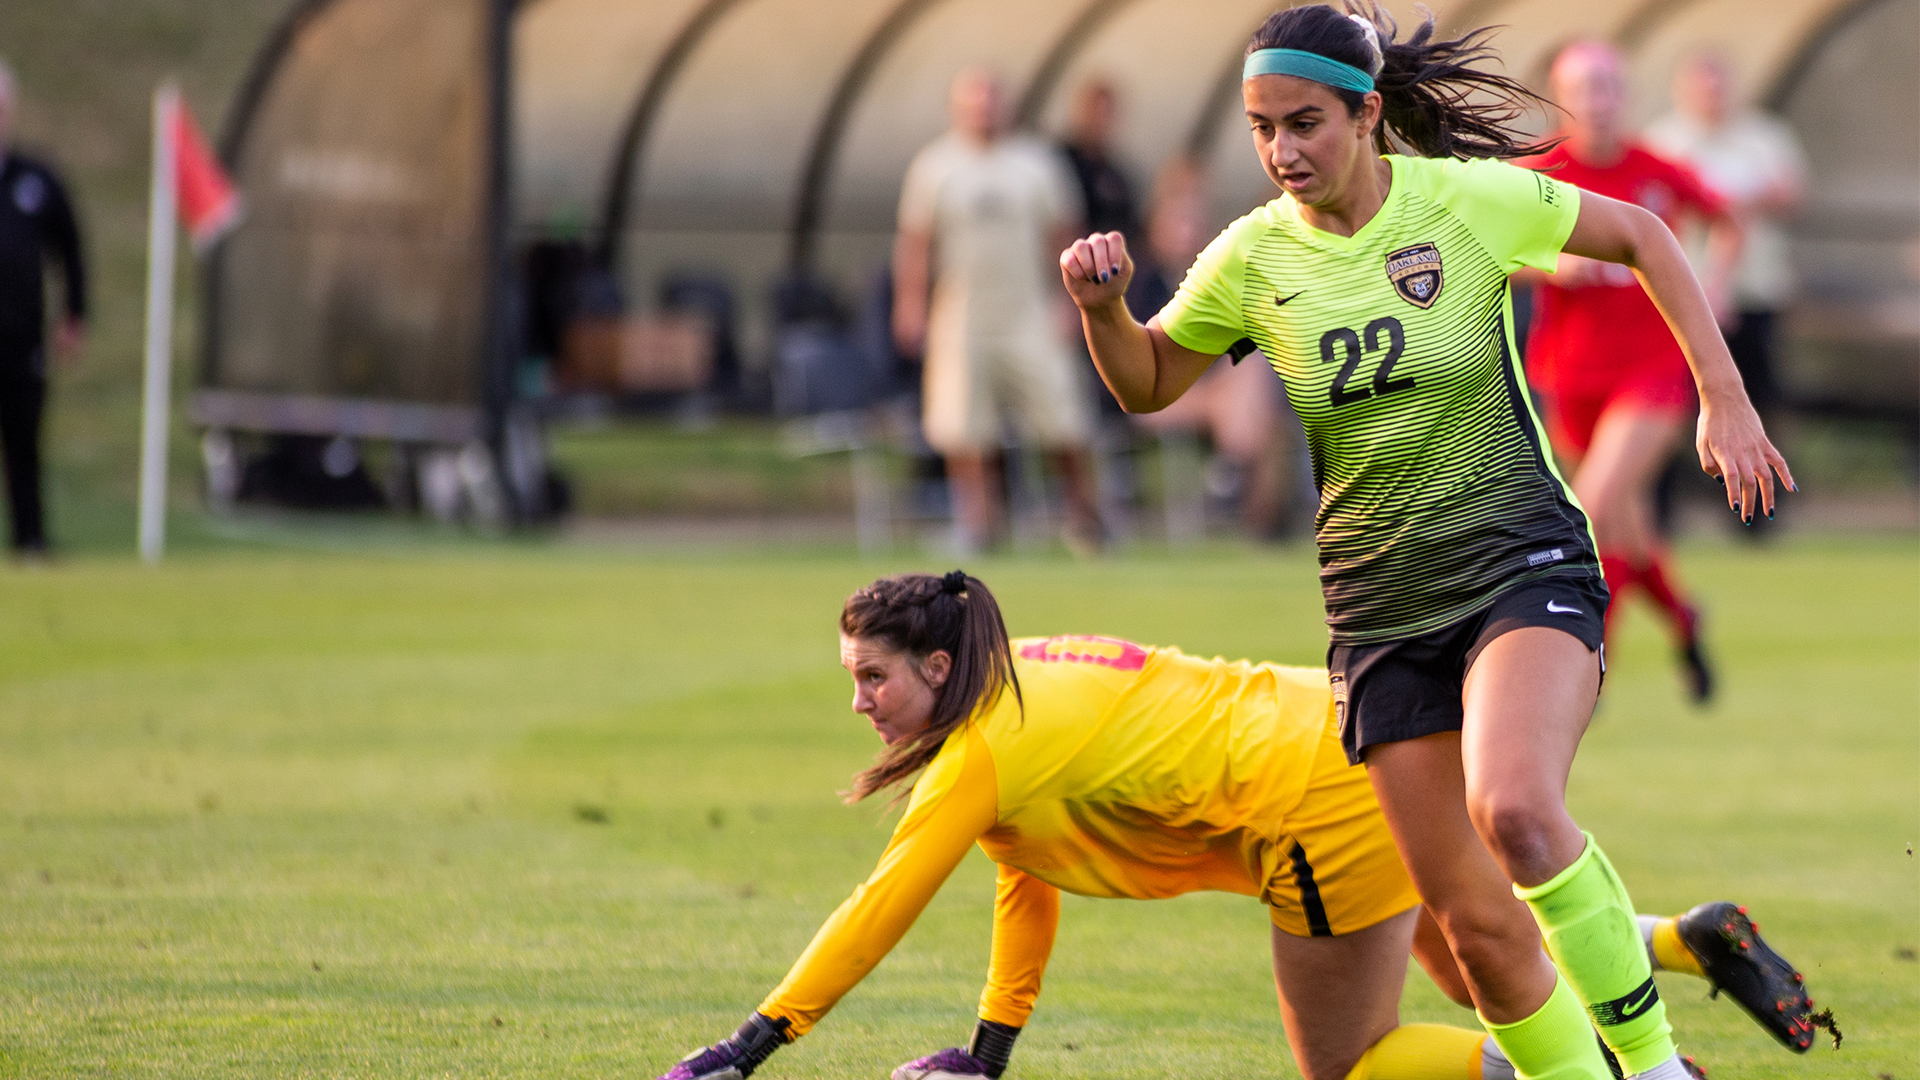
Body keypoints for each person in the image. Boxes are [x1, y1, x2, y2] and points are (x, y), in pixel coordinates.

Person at [1056, 6, 1792, 1080]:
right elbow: (1149, 381)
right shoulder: (1254, 255)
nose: (1283, 151)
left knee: (1519, 813)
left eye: (1305, 123)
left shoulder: (1464, 202)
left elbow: (1644, 233)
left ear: (1366, 114)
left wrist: (1722, 400)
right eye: (1262, 129)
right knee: (1475, 937)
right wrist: (1106, 310)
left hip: (1519, 565)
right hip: (1381, 615)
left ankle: (1660, 1066)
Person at [652, 572, 1820, 1080]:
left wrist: (748, 1048)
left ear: (939, 667)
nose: (857, 701)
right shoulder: (1015, 687)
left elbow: (879, 909)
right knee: (1476, 956)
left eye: (872, 677)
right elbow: (1026, 874)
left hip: (1307, 803)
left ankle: (1578, 1071)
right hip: (1343, 727)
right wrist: (992, 1048)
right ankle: (1682, 942)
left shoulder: (978, 752)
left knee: (1351, 1062)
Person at [1520, 41, 1744, 702]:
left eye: (1609, 86)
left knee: (1588, 509)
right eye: (1584, 88)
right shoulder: (1537, 174)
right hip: (1570, 377)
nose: (1599, 100)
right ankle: (1684, 619)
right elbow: (1485, 253)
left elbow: (1726, 223)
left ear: (1627, 96)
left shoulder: (1655, 170)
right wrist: (1554, 265)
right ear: (1562, 99)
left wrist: (1715, 287)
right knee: (1626, 531)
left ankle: (1589, 664)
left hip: (1651, 373)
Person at [893, 69, 1103, 555]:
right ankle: (979, 527)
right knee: (965, 430)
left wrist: (1071, 303)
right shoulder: (935, 166)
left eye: (991, 100)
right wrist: (911, 306)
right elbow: (916, 244)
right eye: (974, 101)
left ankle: (1086, 522)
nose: (984, 110)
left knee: (1062, 420)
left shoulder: (1037, 164)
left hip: (1031, 312)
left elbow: (1065, 234)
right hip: (961, 316)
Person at [1644, 49, 1808, 527]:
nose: (1711, 97)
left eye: (1719, 86)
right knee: (1673, 406)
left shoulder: (1764, 135)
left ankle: (1757, 515)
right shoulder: (1664, 141)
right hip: (1683, 299)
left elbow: (1792, 192)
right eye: (1702, 87)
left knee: (1757, 402)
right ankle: (1663, 512)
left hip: (1755, 292)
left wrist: (1746, 197)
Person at [0, 60, 86, 558]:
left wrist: (74, 313)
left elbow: (69, 249)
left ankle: (28, 541)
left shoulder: (35, 179)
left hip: (21, 339)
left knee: (24, 446)